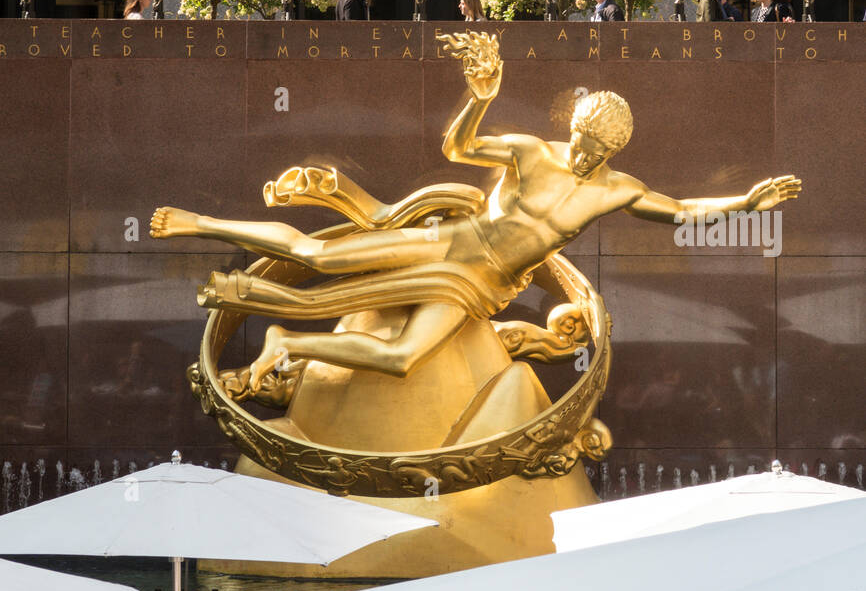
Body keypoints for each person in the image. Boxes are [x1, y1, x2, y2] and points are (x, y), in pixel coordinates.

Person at [152, 31, 800, 384]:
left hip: (484, 289)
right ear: (571, 127)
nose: (580, 152)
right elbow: (457, 145)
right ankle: (198, 223)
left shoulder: (617, 188)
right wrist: (481, 95)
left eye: (594, 147)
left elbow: (683, 210)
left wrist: (745, 200)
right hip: (454, 245)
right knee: (319, 252)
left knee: (403, 359)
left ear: (613, 148)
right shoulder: (530, 150)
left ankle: (288, 341)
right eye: (579, 138)